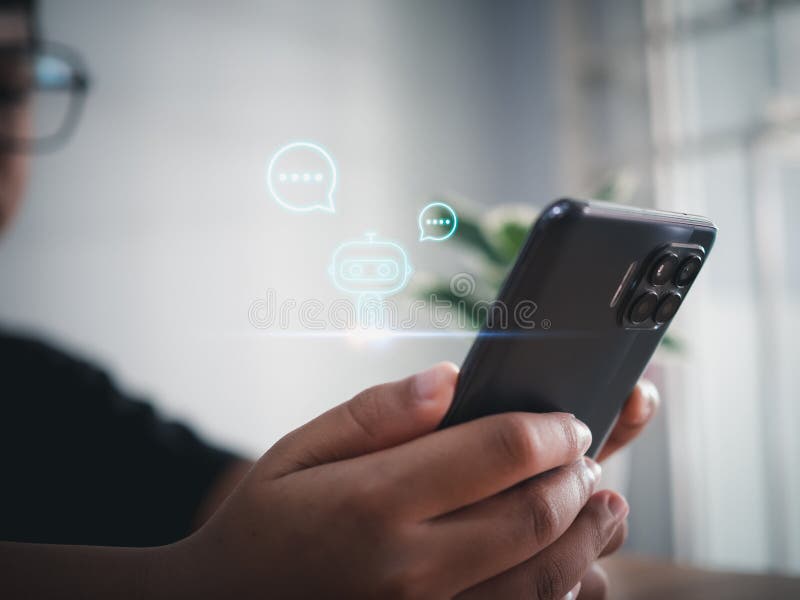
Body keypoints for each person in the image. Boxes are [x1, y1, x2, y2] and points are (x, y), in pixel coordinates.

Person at [0, 1, 660, 597]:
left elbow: (250, 515)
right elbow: (243, 564)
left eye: (10, 87)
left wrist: (436, 529)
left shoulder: (42, 389)